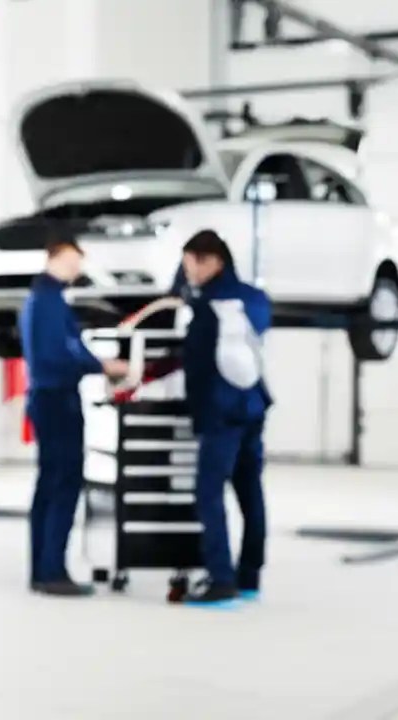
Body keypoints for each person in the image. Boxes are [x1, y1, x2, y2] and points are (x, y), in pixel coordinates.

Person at [160, 229, 272, 606]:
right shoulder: (255, 299)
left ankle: (220, 579)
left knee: (208, 492)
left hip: (222, 411)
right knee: (249, 492)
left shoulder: (208, 305)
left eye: (190, 263)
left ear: (211, 261)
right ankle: (249, 577)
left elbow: (195, 364)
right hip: (253, 405)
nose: (186, 271)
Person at [18, 236, 123, 596]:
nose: (78, 269)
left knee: (49, 485)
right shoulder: (47, 302)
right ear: (57, 257)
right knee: (62, 484)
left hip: (48, 399)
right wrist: (103, 366)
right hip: (57, 400)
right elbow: (60, 355)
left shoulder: (44, 299)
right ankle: (52, 572)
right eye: (74, 261)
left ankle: (43, 569)